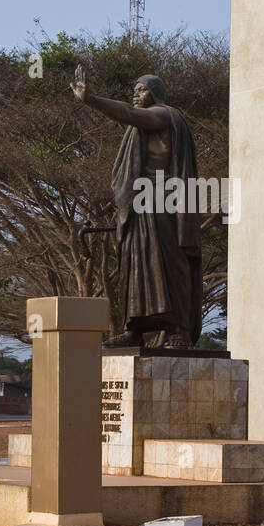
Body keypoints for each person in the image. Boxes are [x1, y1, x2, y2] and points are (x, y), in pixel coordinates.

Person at [70, 67, 202, 347]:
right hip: (140, 201)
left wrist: (90, 99)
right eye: (134, 90)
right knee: (135, 260)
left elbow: (131, 115)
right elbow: (131, 117)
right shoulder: (141, 126)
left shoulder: (165, 114)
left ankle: (180, 329)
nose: (136, 94)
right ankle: (136, 329)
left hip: (164, 197)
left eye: (141, 89)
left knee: (169, 260)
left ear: (154, 93)